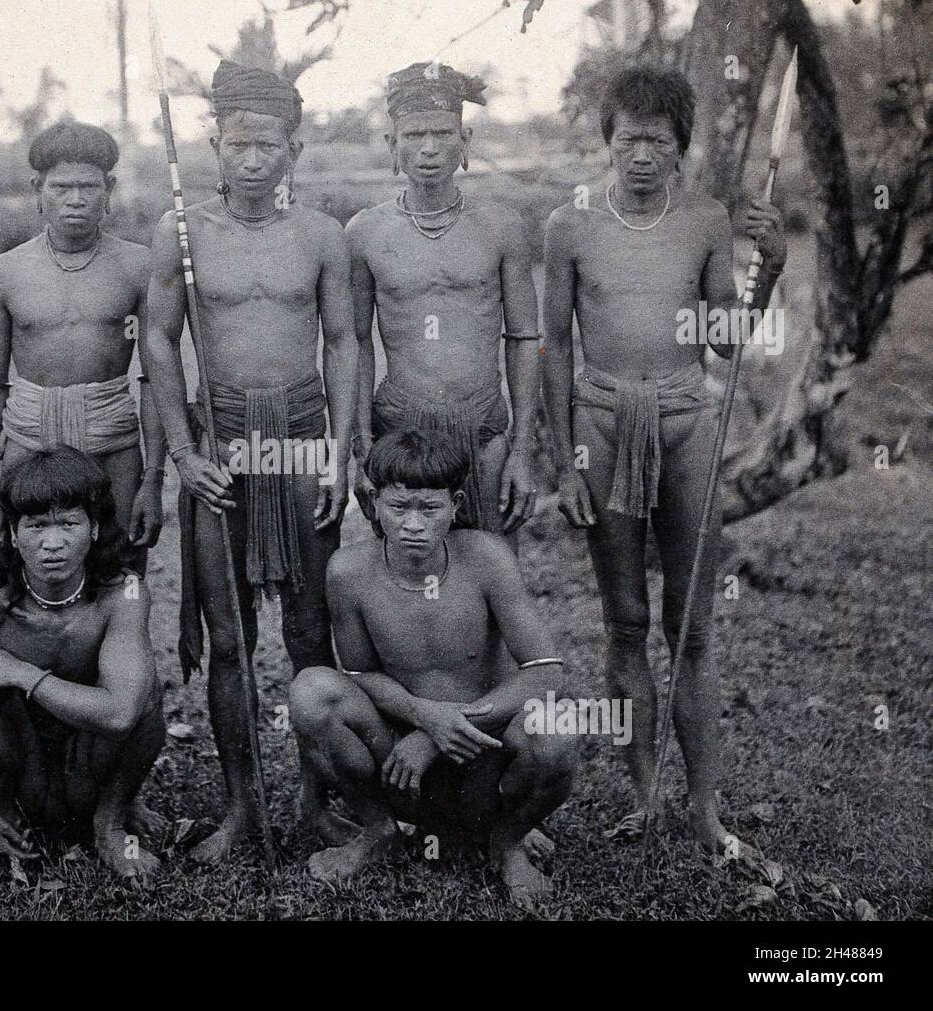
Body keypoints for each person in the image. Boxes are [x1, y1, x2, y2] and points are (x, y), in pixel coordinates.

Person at [541, 65, 787, 855]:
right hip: (603, 418)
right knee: (626, 624)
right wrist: (564, 461)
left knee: (694, 626)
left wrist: (769, 270)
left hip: (686, 418)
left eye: (658, 140)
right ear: (607, 141)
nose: (642, 154)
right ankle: (643, 799)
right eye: (628, 138)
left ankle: (705, 810)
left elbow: (724, 337)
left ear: (681, 148)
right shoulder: (569, 226)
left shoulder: (707, 221)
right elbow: (551, 348)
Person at [142, 60, 359, 861]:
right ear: (215, 144)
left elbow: (343, 342)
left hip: (301, 434)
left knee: (310, 631)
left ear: (294, 148)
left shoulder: (321, 235)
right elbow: (159, 342)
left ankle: (316, 801)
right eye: (239, 144)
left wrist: (340, 449)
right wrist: (184, 450)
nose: (255, 159)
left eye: (270, 144)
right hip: (222, 440)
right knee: (229, 635)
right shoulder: (183, 232)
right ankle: (241, 808)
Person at [289, 430, 577, 901]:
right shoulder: (347, 571)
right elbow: (360, 677)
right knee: (312, 691)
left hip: (484, 764)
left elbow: (546, 670)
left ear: (456, 503)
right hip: (402, 771)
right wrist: (422, 718)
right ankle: (378, 830)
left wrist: (440, 731)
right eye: (398, 507)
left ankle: (506, 845)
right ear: (373, 500)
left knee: (558, 729)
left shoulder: (486, 556)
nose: (413, 525)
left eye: (429, 508)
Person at [0, 449, 165, 890]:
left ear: (93, 528)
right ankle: (5, 833)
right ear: (12, 534)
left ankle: (109, 825)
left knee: (143, 692)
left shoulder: (122, 596)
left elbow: (121, 715)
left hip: (90, 770)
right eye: (35, 526)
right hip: (20, 773)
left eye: (68, 523)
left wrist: (24, 675)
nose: (53, 543)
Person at [348, 62, 541, 537]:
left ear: (465, 141)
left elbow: (523, 338)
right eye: (414, 135)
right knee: (405, 571)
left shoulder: (501, 227)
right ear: (393, 145)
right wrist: (361, 447)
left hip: (483, 428)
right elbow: (353, 345)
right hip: (398, 432)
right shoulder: (365, 233)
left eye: (442, 133)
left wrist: (520, 451)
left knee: (492, 568)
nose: (429, 149)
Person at [0, 122, 163, 565]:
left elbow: (155, 379)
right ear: (38, 188)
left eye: (88, 186)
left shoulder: (139, 267)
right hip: (28, 435)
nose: (75, 198)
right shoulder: (3, 273)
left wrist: (153, 479)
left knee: (120, 567)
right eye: (61, 186)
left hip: (112, 436)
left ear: (109, 188)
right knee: (20, 572)